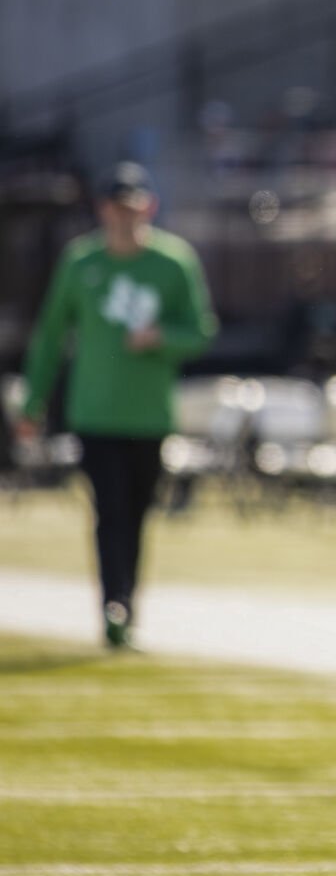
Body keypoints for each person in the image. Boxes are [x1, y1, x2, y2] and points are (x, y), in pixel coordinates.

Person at [16, 163, 218, 648]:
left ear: (148, 208)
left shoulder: (173, 262)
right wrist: (33, 403)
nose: (124, 218)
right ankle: (115, 603)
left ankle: (128, 597)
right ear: (102, 210)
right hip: (96, 412)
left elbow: (201, 331)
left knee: (140, 507)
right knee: (109, 510)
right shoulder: (81, 263)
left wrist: (161, 338)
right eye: (116, 208)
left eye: (133, 208)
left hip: (148, 414)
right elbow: (51, 336)